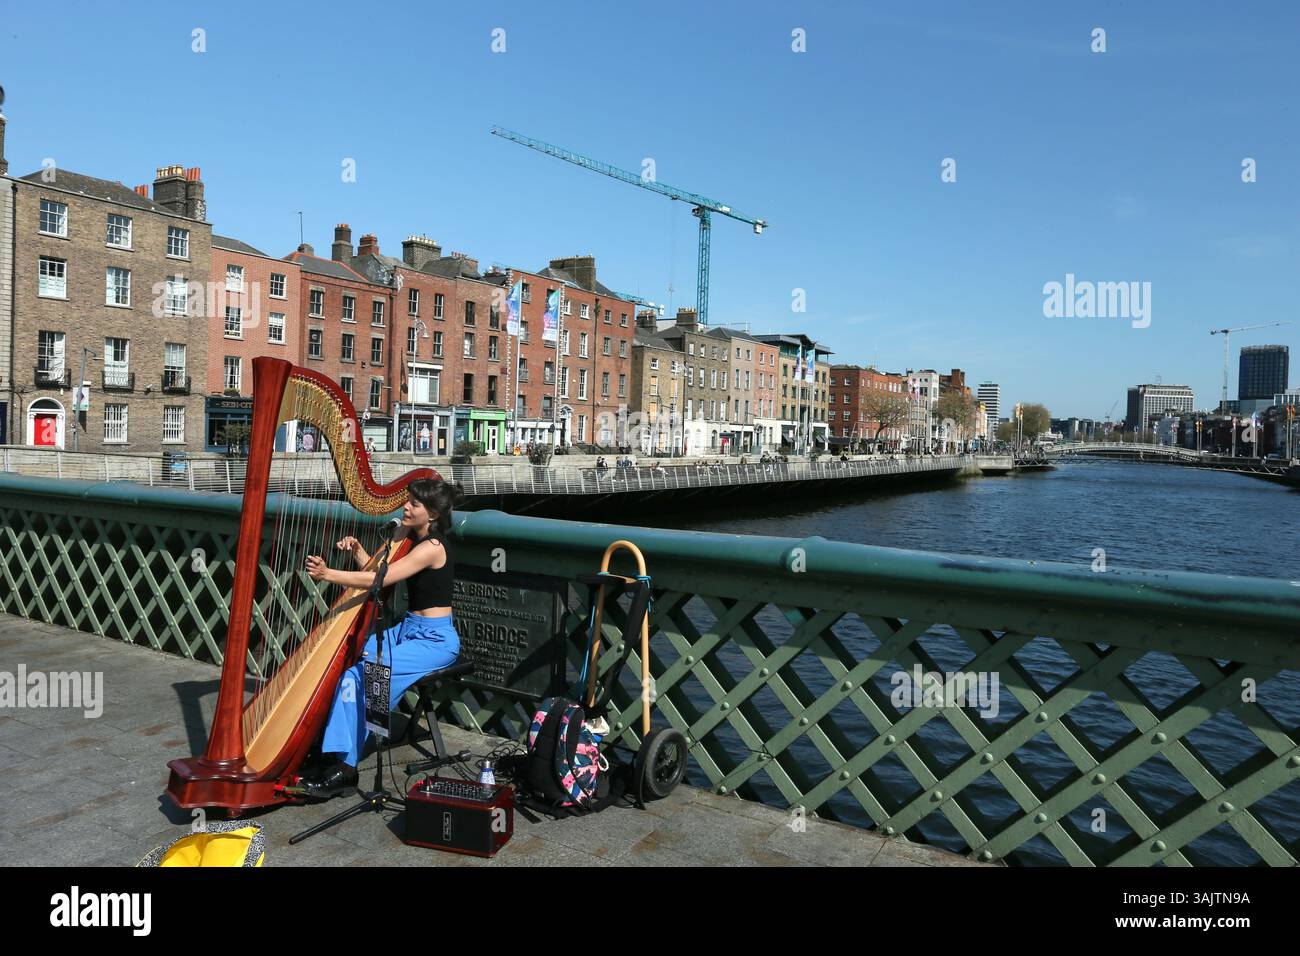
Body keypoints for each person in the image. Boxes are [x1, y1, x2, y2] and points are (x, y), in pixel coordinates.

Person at [300, 478, 465, 798]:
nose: (406, 506)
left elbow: (383, 577)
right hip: (409, 630)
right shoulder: (412, 538)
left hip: (435, 640)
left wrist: (328, 574)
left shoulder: (432, 547)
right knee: (351, 669)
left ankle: (346, 768)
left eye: (414, 504)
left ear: (431, 514)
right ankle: (333, 751)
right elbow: (382, 581)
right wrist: (361, 551)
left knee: (373, 672)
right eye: (408, 500)